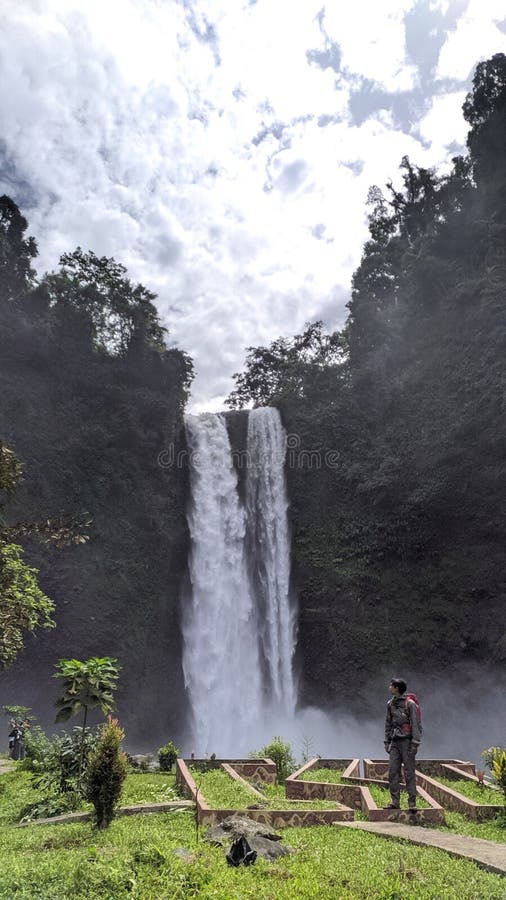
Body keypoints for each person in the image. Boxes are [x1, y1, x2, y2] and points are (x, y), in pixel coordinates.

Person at [384, 677, 421, 811]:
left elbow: (415, 724)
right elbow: (388, 723)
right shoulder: (390, 704)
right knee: (393, 771)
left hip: (407, 741)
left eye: (391, 685)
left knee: (409, 772)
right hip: (395, 741)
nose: (389, 687)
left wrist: (415, 743)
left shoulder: (409, 704)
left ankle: (412, 803)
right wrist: (387, 741)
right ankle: (395, 802)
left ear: (397, 688)